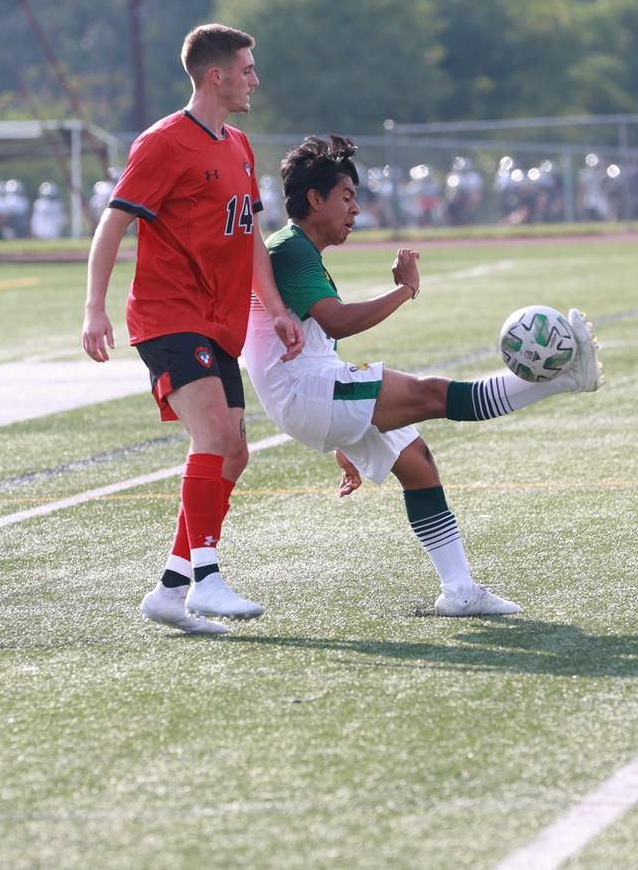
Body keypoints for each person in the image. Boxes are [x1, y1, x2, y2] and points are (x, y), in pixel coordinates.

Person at [241, 134, 601, 615]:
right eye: (346, 198)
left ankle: (460, 592)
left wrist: (343, 434)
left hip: (310, 391)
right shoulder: (291, 249)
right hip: (304, 390)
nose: (355, 211)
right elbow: (338, 320)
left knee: (418, 464)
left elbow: (321, 336)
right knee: (433, 394)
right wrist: (406, 289)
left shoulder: (296, 250)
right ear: (314, 199)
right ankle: (563, 379)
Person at [82, 23, 304, 636]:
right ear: (217, 75)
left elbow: (250, 236)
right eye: (249, 68)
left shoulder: (238, 144)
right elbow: (114, 224)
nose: (255, 79)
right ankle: (208, 578)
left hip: (219, 321)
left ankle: (171, 589)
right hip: (168, 314)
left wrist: (278, 308)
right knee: (211, 435)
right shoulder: (164, 143)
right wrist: (94, 307)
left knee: (234, 451)